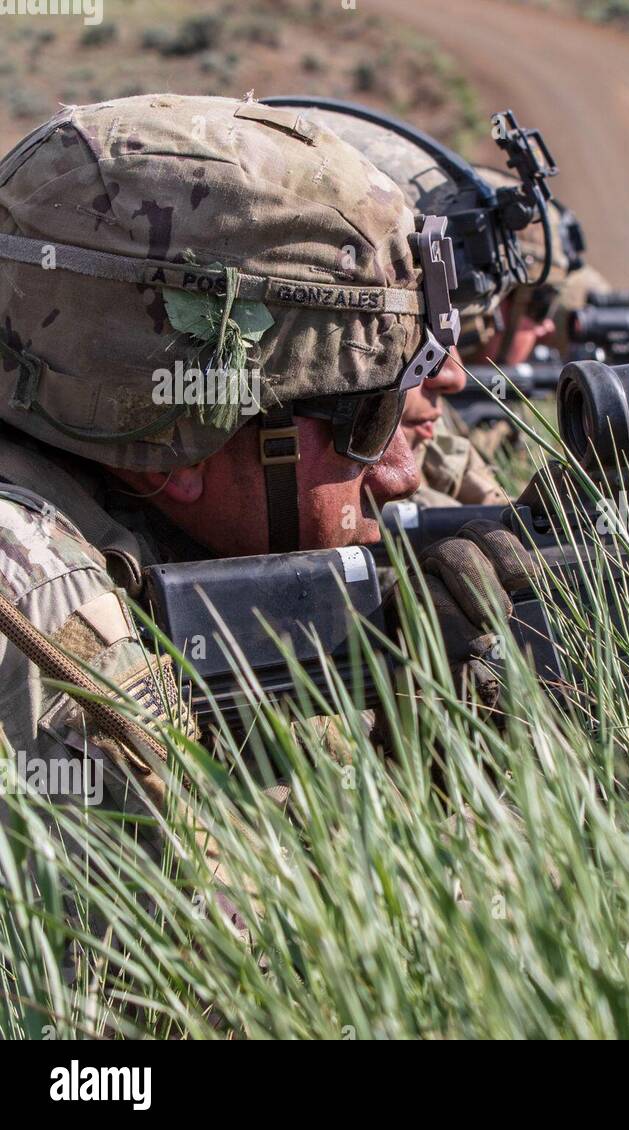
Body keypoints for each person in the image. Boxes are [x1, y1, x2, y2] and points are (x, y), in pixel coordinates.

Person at [0, 95, 532, 831]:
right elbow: (224, 933)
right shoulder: (36, 598)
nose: (401, 471)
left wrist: (411, 724)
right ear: (177, 448)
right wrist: (458, 780)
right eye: (368, 413)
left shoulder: (162, 524)